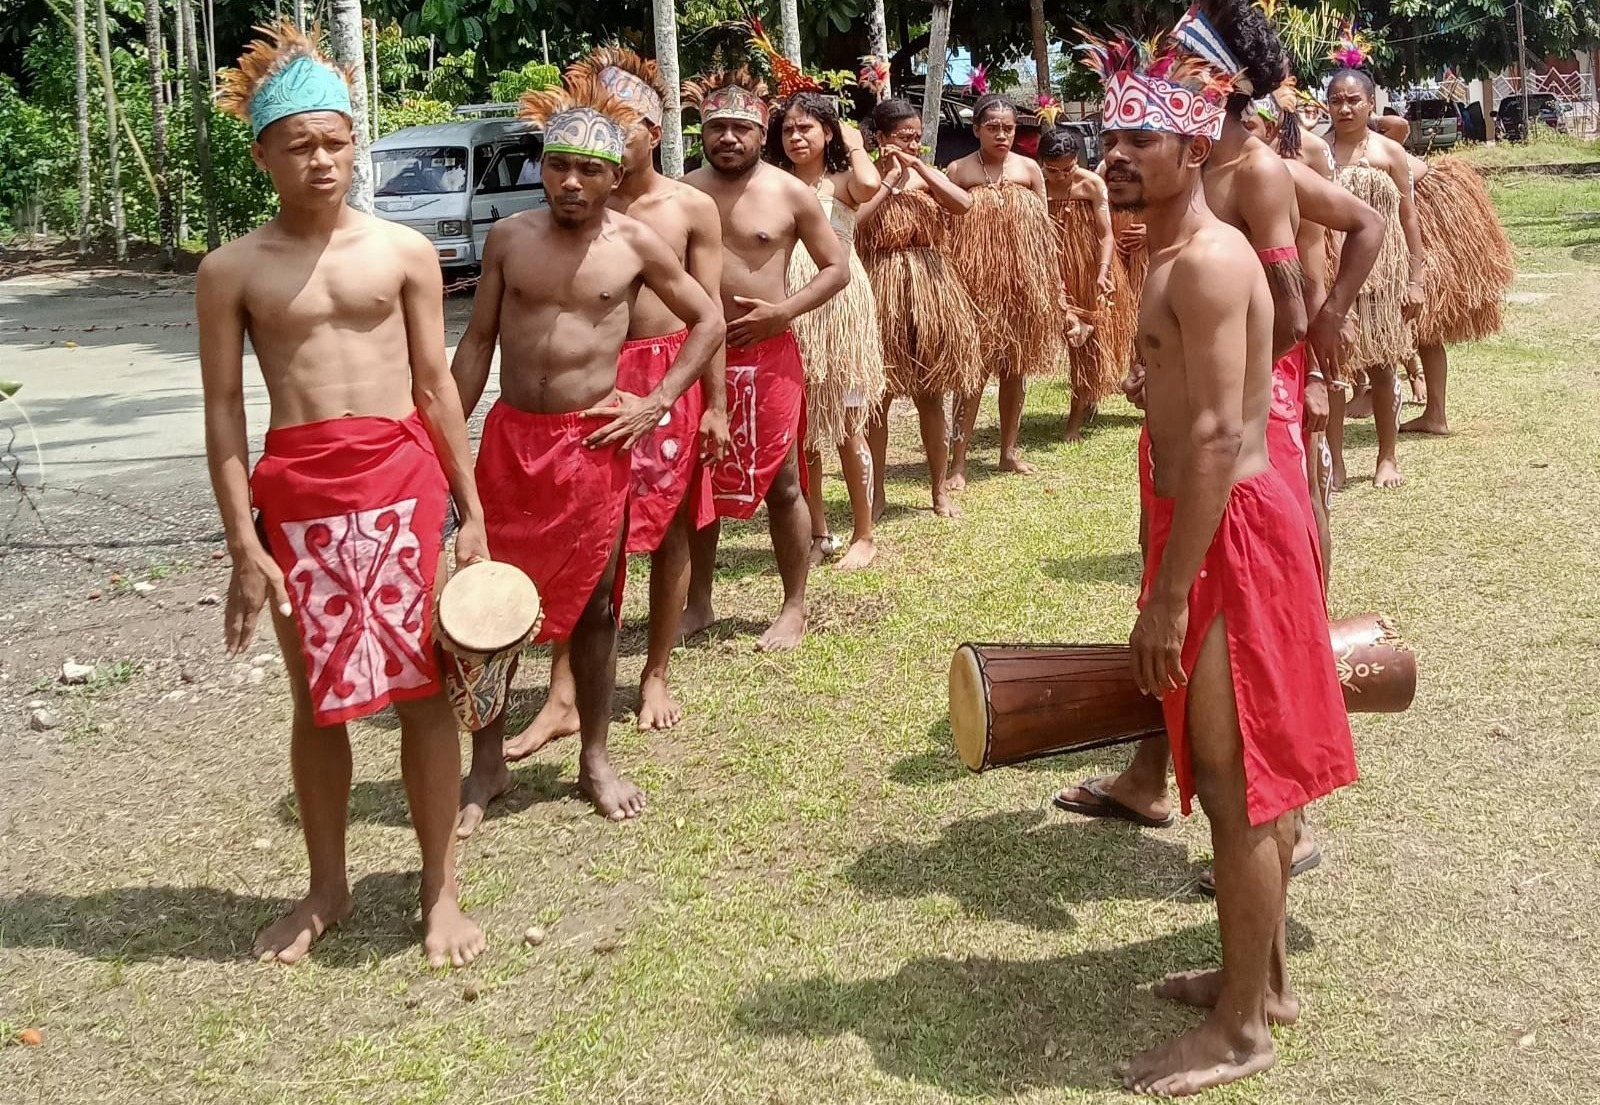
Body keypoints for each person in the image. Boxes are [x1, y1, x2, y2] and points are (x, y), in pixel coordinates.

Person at [1081, 29, 1357, 1093]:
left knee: (1242, 784)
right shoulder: (1182, 253)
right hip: (1224, 521)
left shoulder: (1201, 259)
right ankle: (1264, 978)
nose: (1114, 150)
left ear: (1192, 149)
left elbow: (1211, 443)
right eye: (1109, 131)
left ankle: (1243, 1029)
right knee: (1248, 772)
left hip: (1226, 531)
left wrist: (1166, 598)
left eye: (1137, 135)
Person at [200, 22, 486, 968]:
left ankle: (439, 888)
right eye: (300, 145)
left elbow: (438, 384)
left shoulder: (404, 250)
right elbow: (224, 414)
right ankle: (328, 885)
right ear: (263, 154)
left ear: (354, 141)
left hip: (403, 479)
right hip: (299, 493)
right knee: (318, 701)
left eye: (335, 140)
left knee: (425, 693)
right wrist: (243, 539)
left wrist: (471, 506)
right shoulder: (231, 270)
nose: (322, 160)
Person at [450, 48, 730, 838]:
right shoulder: (508, 239)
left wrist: (663, 399)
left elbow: (707, 319)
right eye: (558, 166)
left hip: (592, 445)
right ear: (543, 168)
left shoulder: (637, 246)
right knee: (487, 603)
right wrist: (445, 442)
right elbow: (474, 345)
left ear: (615, 177)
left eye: (588, 171)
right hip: (510, 440)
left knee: (600, 608)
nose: (571, 183)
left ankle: (596, 756)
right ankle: (489, 760)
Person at [680, 68, 849, 651]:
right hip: (698, 357)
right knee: (694, 481)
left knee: (783, 483)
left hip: (769, 353)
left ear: (761, 133)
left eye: (742, 128)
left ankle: (794, 606)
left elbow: (837, 268)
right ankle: (698, 601)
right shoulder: (682, 192)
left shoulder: (788, 192)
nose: (729, 138)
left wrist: (784, 313)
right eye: (718, 128)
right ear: (702, 133)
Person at [766, 91, 887, 570]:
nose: (796, 137)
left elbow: (871, 182)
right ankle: (818, 531)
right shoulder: (775, 186)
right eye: (789, 130)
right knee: (808, 431)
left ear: (828, 133)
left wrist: (856, 142)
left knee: (848, 426)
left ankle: (864, 533)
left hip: (839, 309)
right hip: (793, 307)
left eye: (807, 128)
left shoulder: (841, 183)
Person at [855, 97, 981, 519]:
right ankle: (875, 495)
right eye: (902, 136)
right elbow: (854, 224)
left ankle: (938, 490)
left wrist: (920, 169)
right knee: (879, 396)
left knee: (931, 393)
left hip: (930, 285)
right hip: (881, 285)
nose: (911, 142)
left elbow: (963, 206)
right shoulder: (863, 178)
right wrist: (890, 179)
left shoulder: (928, 176)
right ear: (880, 138)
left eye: (916, 136)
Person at [944, 94, 1064, 484]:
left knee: (1015, 369)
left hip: (1021, 286)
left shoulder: (1029, 169)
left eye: (1008, 128)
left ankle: (1008, 452)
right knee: (972, 374)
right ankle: (958, 461)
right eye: (992, 127)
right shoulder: (959, 170)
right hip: (975, 286)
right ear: (976, 129)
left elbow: (1044, 230)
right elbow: (946, 232)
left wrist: (1048, 282)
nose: (1001, 134)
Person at [1325, 61, 1424, 489]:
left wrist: (1415, 278)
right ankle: (1337, 460)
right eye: (1336, 100)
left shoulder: (1389, 153)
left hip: (1384, 276)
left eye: (1353, 101)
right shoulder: (1315, 151)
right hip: (1331, 274)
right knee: (1331, 370)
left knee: (1383, 367)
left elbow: (1408, 217)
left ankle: (1387, 456)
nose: (1344, 108)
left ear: (1370, 104)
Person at [1401, 146, 1515, 435]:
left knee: (1424, 329)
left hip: (1409, 238)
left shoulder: (1378, 143)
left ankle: (1433, 413)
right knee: (1421, 331)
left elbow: (1399, 127)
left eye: (1353, 99)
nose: (1344, 108)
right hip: (1395, 234)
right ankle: (1428, 411)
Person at [1039, 124, 1123, 441]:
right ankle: (1086, 399)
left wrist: (1103, 271)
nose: (1061, 176)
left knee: (1086, 344)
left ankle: (1075, 418)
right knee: (1065, 330)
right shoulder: (1037, 185)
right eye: (1053, 170)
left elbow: (1106, 234)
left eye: (1068, 169)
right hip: (1051, 265)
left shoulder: (1092, 184)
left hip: (1089, 267)